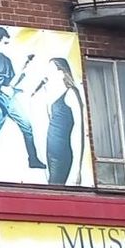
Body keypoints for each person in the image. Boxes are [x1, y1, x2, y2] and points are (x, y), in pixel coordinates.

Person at [0, 27, 46, 172]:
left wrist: (23, 72)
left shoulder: (7, 60)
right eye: (4, 42)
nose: (6, 45)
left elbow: (13, 80)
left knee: (27, 125)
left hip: (10, 96)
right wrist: (0, 87)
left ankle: (33, 159)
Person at [37, 58, 83, 186]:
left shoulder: (71, 93)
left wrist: (77, 168)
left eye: (51, 69)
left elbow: (79, 128)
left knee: (55, 188)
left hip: (62, 154)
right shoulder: (51, 94)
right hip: (50, 151)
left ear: (61, 72)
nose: (48, 73)